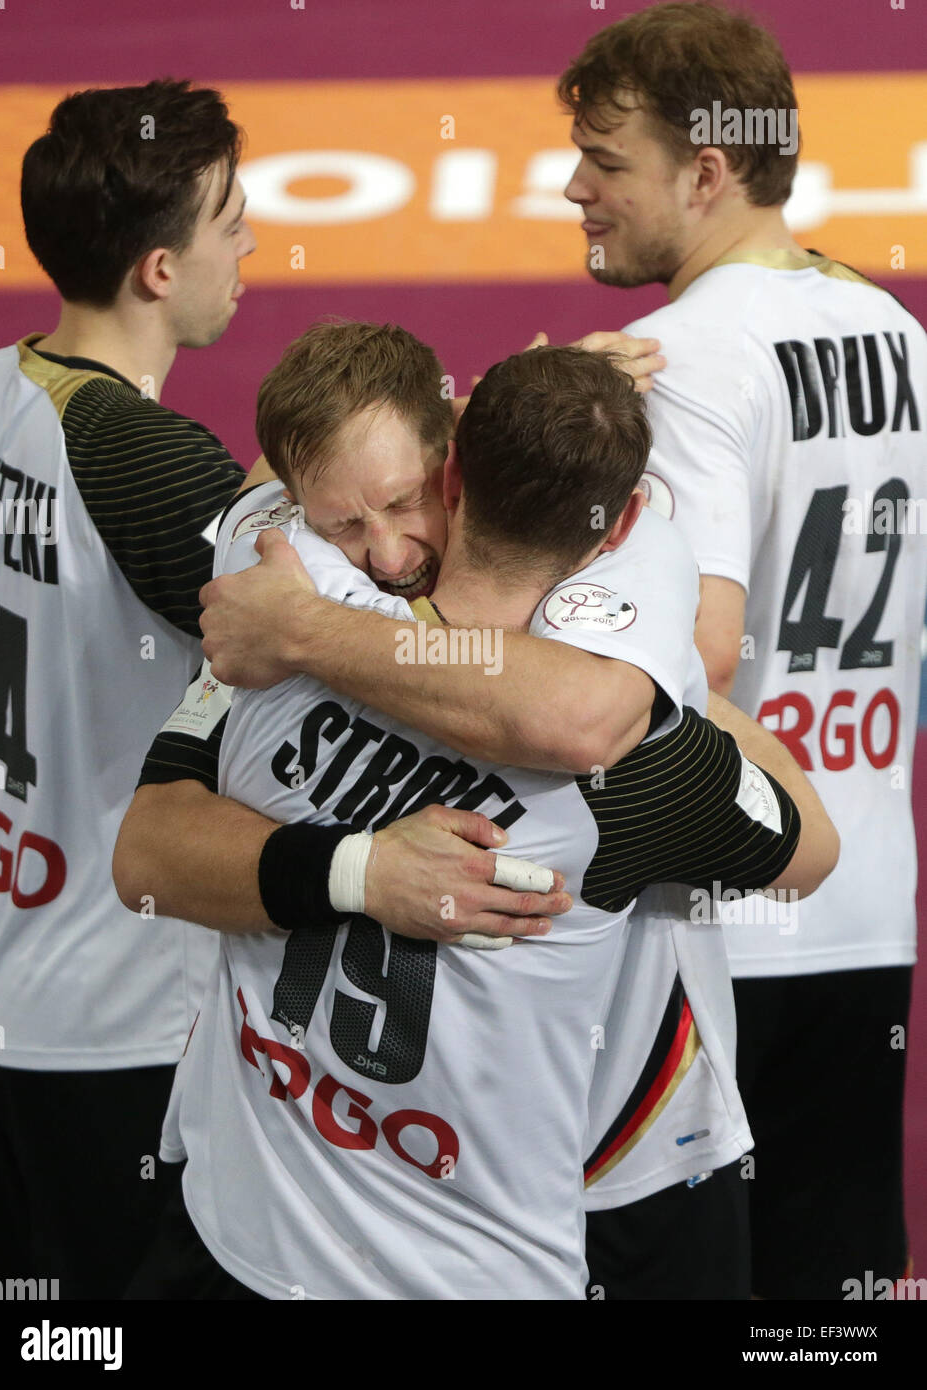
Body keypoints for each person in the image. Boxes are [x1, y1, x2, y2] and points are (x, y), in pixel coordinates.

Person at [122, 342, 834, 1299]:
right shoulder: (639, 758)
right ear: (619, 523)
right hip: (493, 1247)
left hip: (246, 1229)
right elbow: (810, 845)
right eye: (351, 518)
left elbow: (146, 857)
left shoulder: (273, 605)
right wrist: (681, 690)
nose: (379, 548)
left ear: (450, 469)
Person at [558, 0, 927, 1298]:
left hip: (722, 925)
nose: (573, 186)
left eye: (605, 159)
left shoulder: (689, 356)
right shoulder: (898, 331)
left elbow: (693, 656)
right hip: (866, 899)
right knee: (836, 1302)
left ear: (705, 169)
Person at [0, 77, 261, 1299]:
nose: (247, 245)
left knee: (43, 1322)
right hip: (128, 1021)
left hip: (4, 979)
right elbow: (305, 633)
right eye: (229, 219)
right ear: (156, 267)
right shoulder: (140, 456)